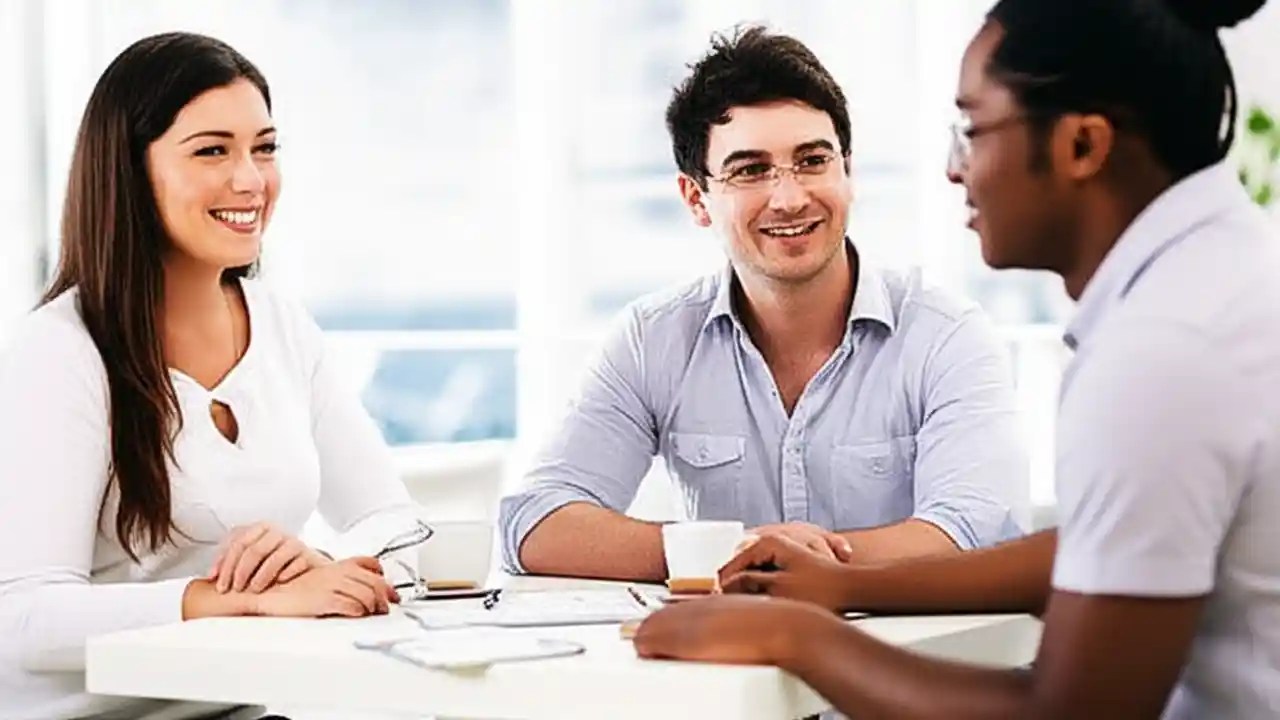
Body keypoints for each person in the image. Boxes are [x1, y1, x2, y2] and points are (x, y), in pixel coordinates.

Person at [633, 1, 1280, 718]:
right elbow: (1103, 541)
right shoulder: (1224, 278)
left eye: (973, 130)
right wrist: (844, 587)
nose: (952, 168)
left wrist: (797, 636)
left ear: (1083, 145)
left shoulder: (1163, 352)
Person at [498, 26, 1030, 583]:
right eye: (751, 170)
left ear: (848, 171)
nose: (790, 197)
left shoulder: (946, 334)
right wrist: (737, 551)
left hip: (904, 659)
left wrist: (785, 566)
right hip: (725, 664)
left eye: (812, 160)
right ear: (696, 199)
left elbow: (978, 532)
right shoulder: (652, 338)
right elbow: (535, 522)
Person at [0, 32, 417, 720]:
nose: (251, 179)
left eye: (265, 147)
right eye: (212, 151)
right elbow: (19, 620)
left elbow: (395, 523)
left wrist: (315, 563)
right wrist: (235, 599)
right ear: (128, 171)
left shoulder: (282, 326)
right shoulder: (57, 354)